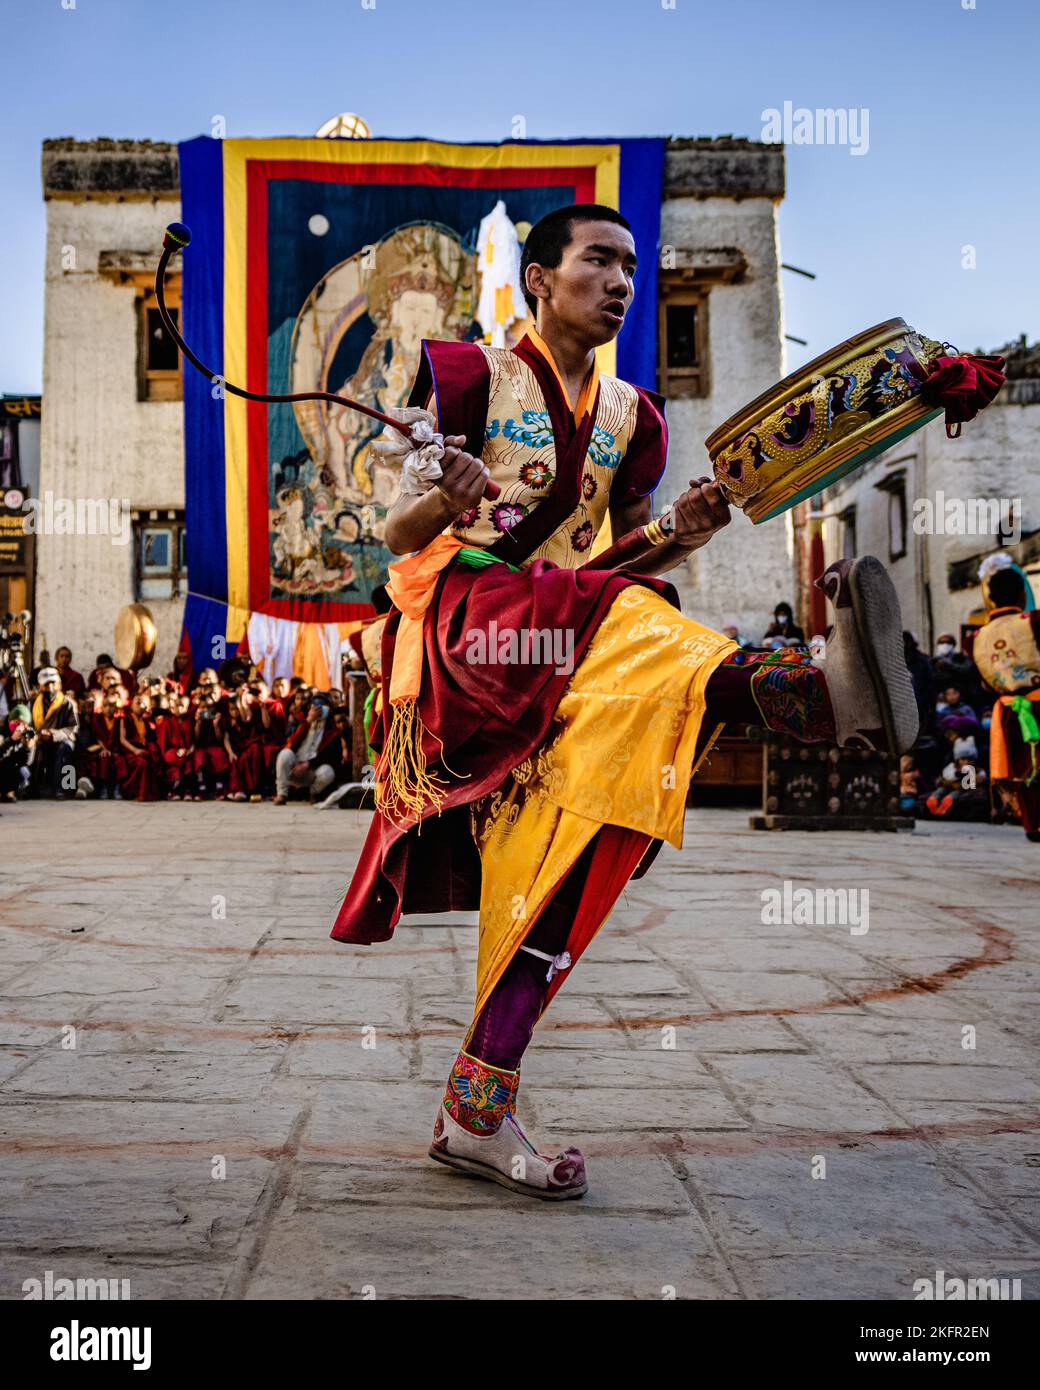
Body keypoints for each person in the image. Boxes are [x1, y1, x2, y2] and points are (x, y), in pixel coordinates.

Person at [328, 203, 919, 1201]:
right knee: (621, 618)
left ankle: (476, 1108)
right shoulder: (469, 378)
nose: (618, 281)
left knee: (588, 841)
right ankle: (806, 693)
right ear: (537, 279)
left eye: (629, 267)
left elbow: (619, 563)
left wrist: (682, 533)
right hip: (479, 634)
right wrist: (448, 494)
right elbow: (395, 533)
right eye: (596, 261)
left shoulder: (632, 419)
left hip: (570, 632)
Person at [971, 565, 1040, 841]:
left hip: (1007, 710)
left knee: (1022, 770)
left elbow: (984, 684)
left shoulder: (976, 638)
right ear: (1022, 594)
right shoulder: (1032, 621)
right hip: (1037, 701)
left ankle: (1033, 824)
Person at [274, 694, 338, 804]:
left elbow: (328, 756)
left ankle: (313, 793)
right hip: (294, 768)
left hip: (313, 770)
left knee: (328, 772)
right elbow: (293, 743)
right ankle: (282, 794)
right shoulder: (301, 720)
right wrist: (308, 721)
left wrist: (308, 764)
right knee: (285, 754)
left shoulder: (331, 729)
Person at [29, 666, 79, 798]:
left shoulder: (67, 703)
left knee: (64, 748)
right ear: (40, 686)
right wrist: (36, 735)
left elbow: (73, 728)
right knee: (30, 747)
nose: (50, 687)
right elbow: (28, 724)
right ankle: (32, 787)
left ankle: (64, 788)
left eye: (53, 683)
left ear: (59, 684)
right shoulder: (33, 703)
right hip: (39, 738)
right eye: (46, 684)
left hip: (61, 739)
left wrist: (53, 735)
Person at [118, 691, 160, 801]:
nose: (139, 705)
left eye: (142, 703)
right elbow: (122, 739)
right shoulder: (125, 719)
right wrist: (134, 750)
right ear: (131, 705)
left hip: (142, 750)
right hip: (130, 751)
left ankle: (149, 794)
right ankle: (133, 792)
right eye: (137, 702)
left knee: (152, 761)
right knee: (141, 763)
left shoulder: (146, 722)